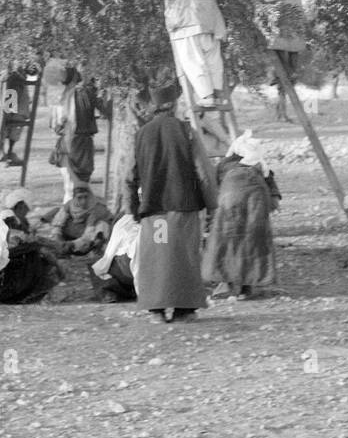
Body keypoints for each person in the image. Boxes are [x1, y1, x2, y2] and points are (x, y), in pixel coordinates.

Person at [127, 80, 216, 324]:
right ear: (173, 105)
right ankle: (183, 310)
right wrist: (212, 206)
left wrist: (133, 209)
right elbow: (203, 172)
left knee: (159, 256)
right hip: (183, 207)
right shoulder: (186, 131)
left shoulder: (141, 134)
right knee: (183, 256)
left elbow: (130, 175)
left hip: (155, 210)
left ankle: (156, 310)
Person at [202, 132, 280, 300]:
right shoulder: (262, 165)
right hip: (257, 202)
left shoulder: (224, 165)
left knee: (227, 242)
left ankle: (226, 284)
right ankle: (249, 286)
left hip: (229, 203)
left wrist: (209, 220)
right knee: (253, 242)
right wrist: (271, 205)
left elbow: (213, 191)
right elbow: (274, 198)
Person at [0, 189, 63, 304]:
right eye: (26, 209)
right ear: (20, 206)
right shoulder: (7, 221)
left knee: (38, 252)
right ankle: (30, 295)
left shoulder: (3, 217)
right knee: (40, 258)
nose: (27, 212)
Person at [50, 65, 104, 202]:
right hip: (80, 143)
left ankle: (70, 214)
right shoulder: (85, 93)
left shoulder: (59, 95)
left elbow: (55, 125)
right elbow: (105, 110)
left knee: (69, 185)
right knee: (79, 184)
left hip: (65, 144)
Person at [46, 181, 113, 258]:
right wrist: (57, 237)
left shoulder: (96, 207)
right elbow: (58, 223)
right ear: (74, 197)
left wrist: (73, 244)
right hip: (75, 231)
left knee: (101, 225)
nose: (83, 201)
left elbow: (89, 232)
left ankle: (75, 248)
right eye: (80, 197)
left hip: (92, 237)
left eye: (86, 197)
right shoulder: (70, 205)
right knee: (56, 212)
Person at [90, 214, 141, 302]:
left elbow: (109, 255)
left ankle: (110, 293)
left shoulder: (125, 221)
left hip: (131, 272)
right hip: (159, 274)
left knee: (99, 267)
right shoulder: (164, 220)